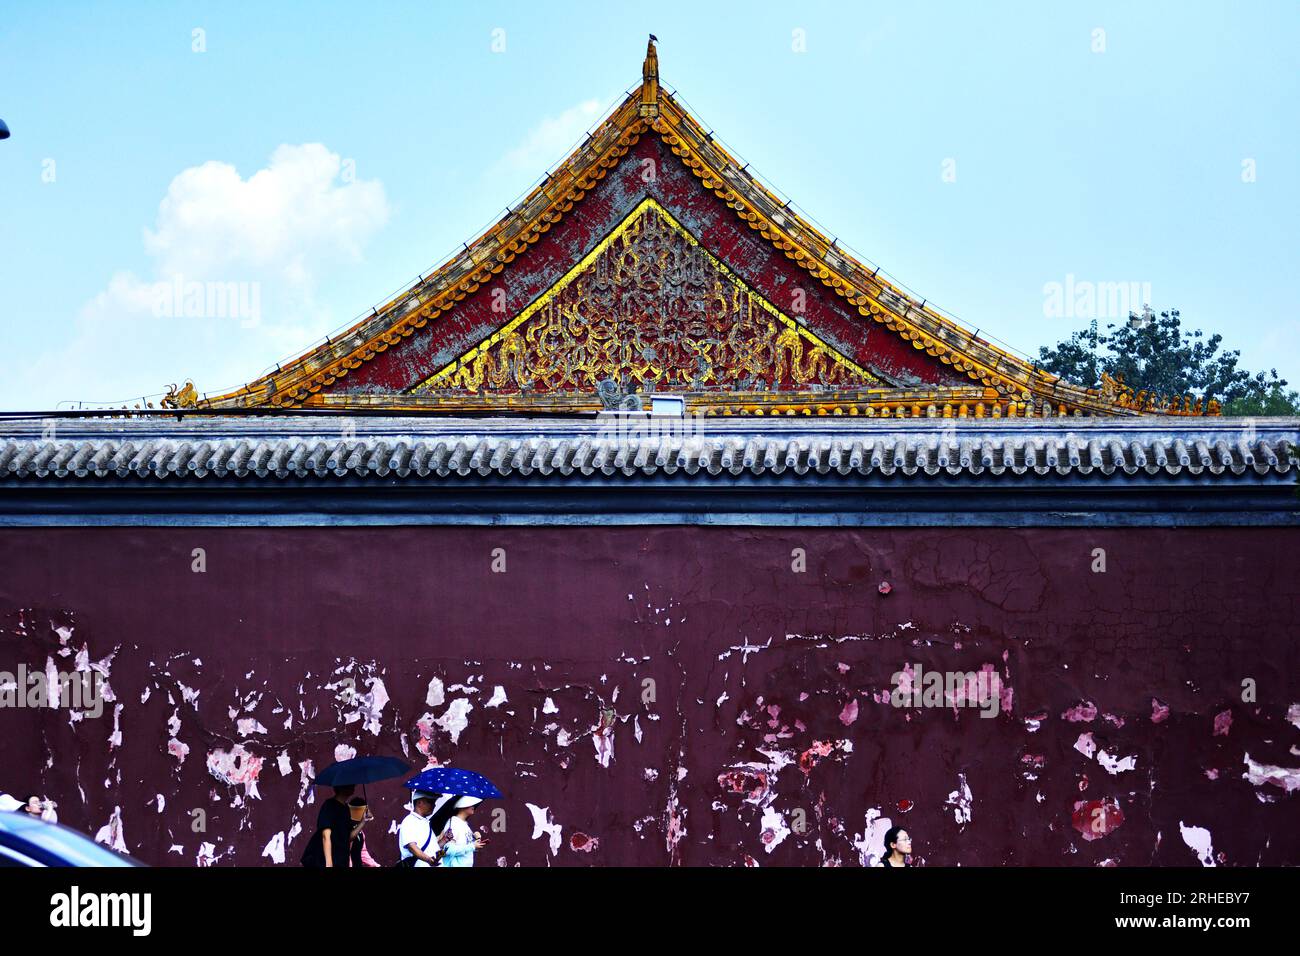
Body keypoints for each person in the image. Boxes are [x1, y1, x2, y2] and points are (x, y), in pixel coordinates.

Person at [300, 784, 363, 868]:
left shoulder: (346, 809)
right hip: (322, 859)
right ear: (342, 787)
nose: (353, 786)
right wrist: (328, 863)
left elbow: (348, 837)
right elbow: (326, 835)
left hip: (339, 860)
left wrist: (363, 821)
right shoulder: (329, 806)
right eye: (350, 784)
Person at [397, 790, 453, 867]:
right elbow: (411, 847)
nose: (434, 805)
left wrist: (444, 840)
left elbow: (431, 849)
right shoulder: (409, 821)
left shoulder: (425, 822)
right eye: (431, 802)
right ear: (420, 802)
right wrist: (428, 860)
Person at [430, 794, 487, 867]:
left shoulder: (464, 824)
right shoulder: (454, 823)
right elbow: (448, 850)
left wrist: (476, 840)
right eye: (471, 803)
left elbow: (465, 847)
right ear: (462, 806)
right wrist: (472, 846)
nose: (474, 806)